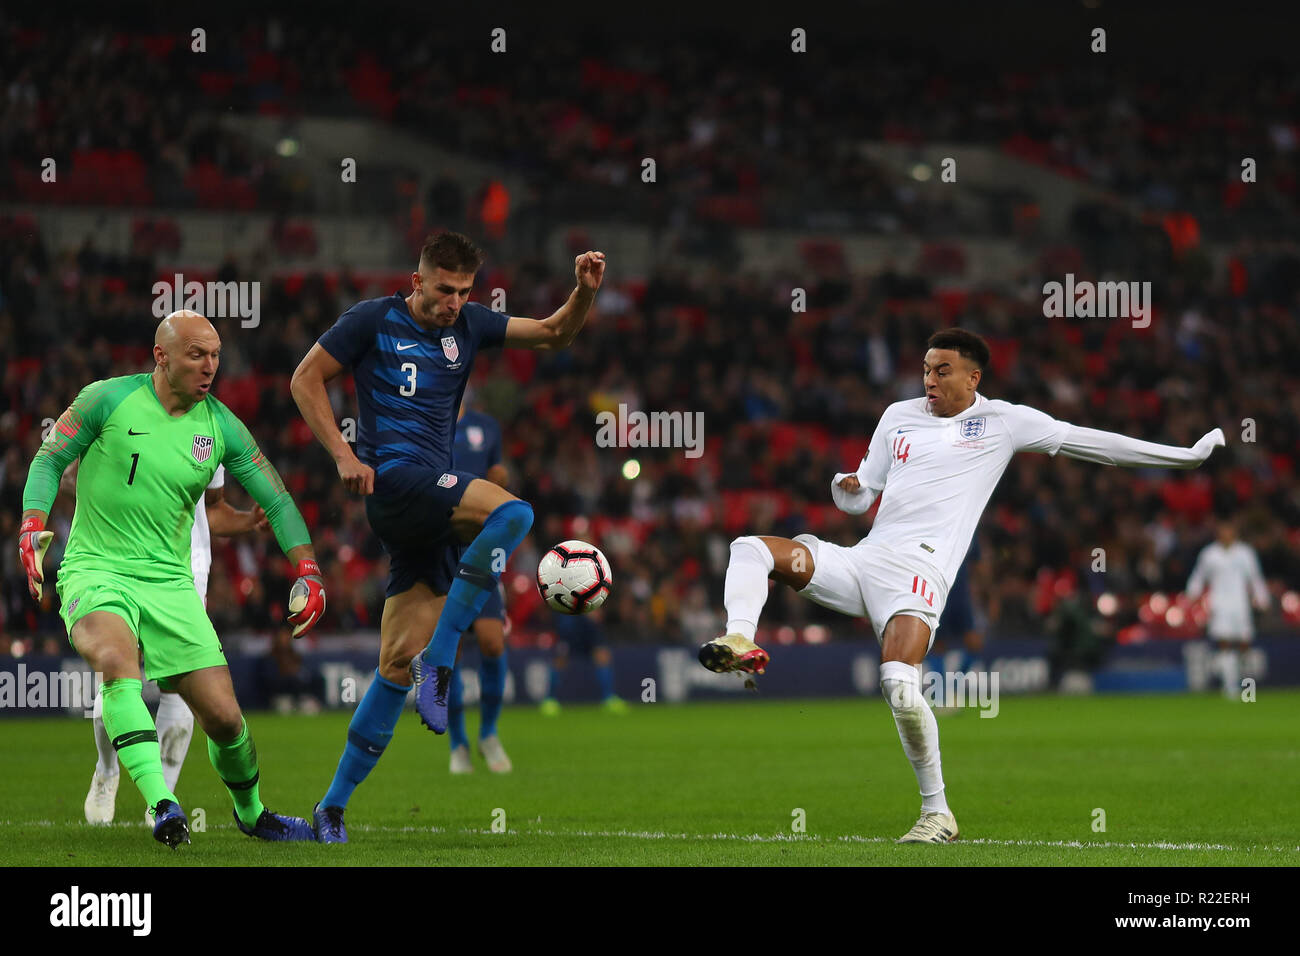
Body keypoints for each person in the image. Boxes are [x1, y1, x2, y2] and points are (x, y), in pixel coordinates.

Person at [699, 328, 1226, 844]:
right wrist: (849, 487)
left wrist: (1184, 457)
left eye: (942, 370)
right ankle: (740, 636)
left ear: (973, 378)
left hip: (919, 576)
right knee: (750, 547)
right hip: (865, 560)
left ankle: (937, 813)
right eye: (926, 369)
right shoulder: (897, 416)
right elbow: (863, 497)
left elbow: (1093, 444)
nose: (929, 379)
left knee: (898, 686)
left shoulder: (1003, 421)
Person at [291, 231, 605, 842]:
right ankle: (441, 660)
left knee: (391, 664)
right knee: (514, 514)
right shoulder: (371, 320)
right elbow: (305, 379)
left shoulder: (472, 326)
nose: (453, 302)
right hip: (395, 482)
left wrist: (583, 293)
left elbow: (553, 333)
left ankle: (330, 809)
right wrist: (342, 455)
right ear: (417, 282)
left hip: (429, 508)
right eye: (443, 290)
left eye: (464, 292)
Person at [19, 310, 327, 848]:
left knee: (226, 720)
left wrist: (309, 569)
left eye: (215, 356)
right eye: (196, 355)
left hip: (171, 583)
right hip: (97, 570)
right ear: (161, 356)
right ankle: (163, 804)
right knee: (119, 669)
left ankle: (253, 814)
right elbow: (49, 458)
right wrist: (32, 524)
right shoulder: (105, 399)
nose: (210, 367)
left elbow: (276, 498)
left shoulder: (221, 425)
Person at [79, 460, 269, 824]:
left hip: (186, 568)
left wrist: (247, 520)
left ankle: (162, 803)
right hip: (123, 560)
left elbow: (211, 508)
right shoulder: (118, 409)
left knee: (179, 688)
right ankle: (106, 772)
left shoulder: (207, 428)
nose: (204, 397)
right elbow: (71, 472)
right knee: (120, 673)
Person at [447, 399, 512, 774]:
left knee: (492, 641)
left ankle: (488, 733)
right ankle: (458, 744)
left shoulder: (486, 425)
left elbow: (497, 471)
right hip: (443, 545)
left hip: (482, 548)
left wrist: (499, 478)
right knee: (451, 649)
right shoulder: (429, 421)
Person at [1186, 516, 1269, 699]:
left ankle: (1248, 688)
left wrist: (1262, 597)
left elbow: (1255, 578)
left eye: (1229, 530)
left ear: (1235, 532)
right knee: (1224, 644)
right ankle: (1230, 687)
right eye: (1223, 530)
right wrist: (1191, 594)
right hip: (1220, 605)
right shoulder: (1209, 554)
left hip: (1241, 605)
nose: (1226, 534)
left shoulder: (1245, 553)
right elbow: (1199, 576)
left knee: (1244, 645)